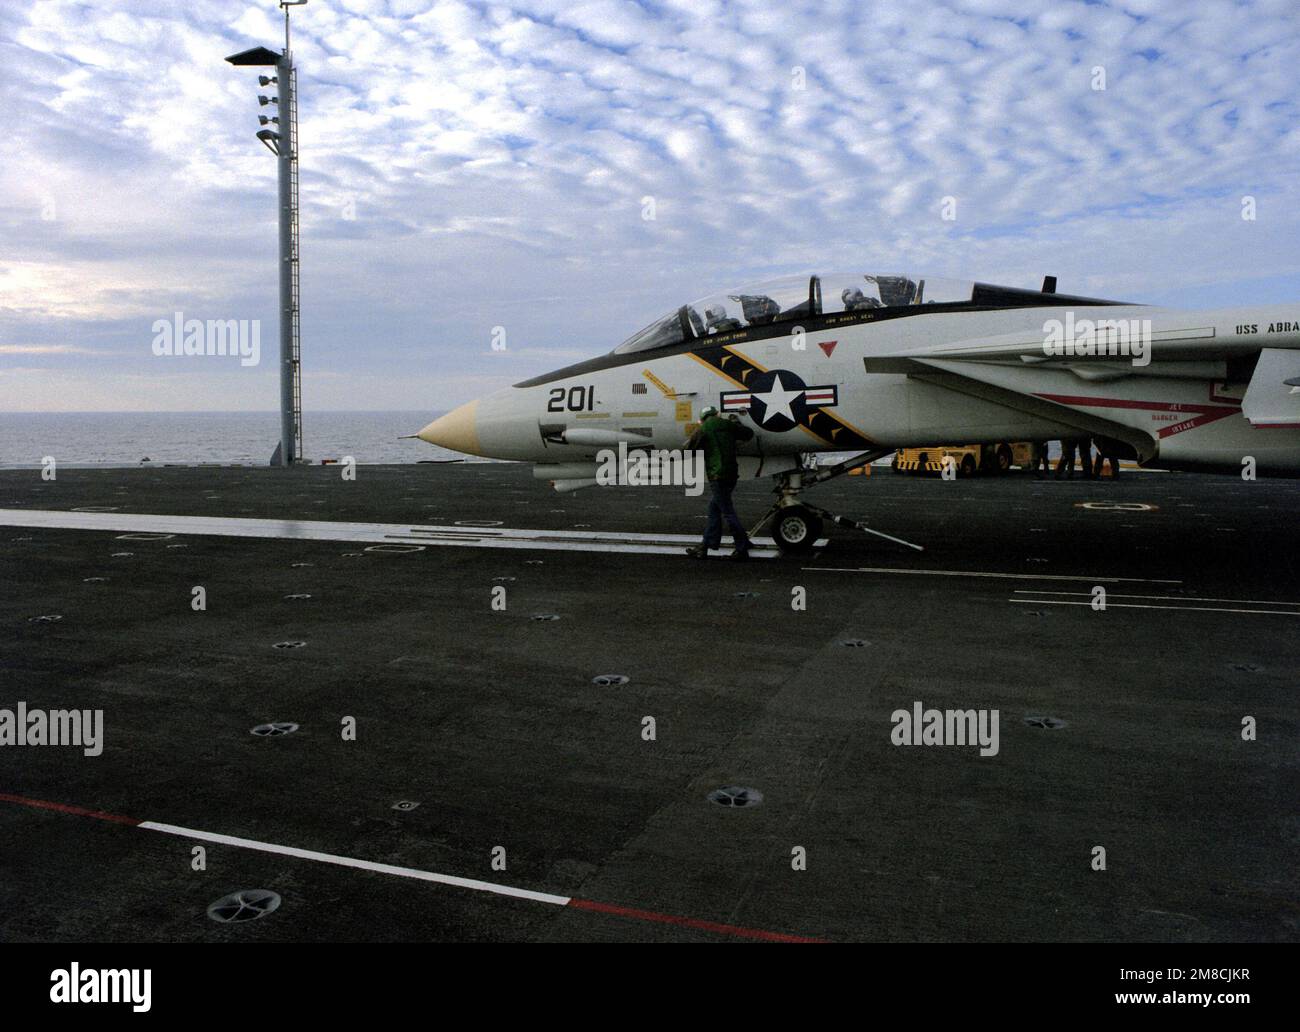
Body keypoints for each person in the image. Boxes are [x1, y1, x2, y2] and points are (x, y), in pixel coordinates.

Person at [684, 407, 754, 560]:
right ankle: (705, 546)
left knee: (728, 512)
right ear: (717, 414)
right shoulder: (727, 425)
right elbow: (748, 434)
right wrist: (736, 422)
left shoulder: (703, 429)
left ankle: (742, 547)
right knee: (714, 508)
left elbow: (689, 449)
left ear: (702, 419)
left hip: (717, 475)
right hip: (731, 474)